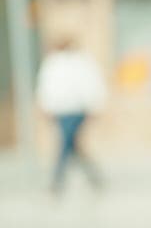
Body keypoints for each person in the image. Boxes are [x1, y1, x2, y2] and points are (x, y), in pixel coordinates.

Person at [36, 36, 106, 194]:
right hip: (61, 110)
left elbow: (90, 84)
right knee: (71, 144)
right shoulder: (54, 63)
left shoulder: (79, 61)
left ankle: (57, 181)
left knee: (65, 144)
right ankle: (94, 177)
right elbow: (47, 86)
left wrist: (94, 105)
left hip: (76, 109)